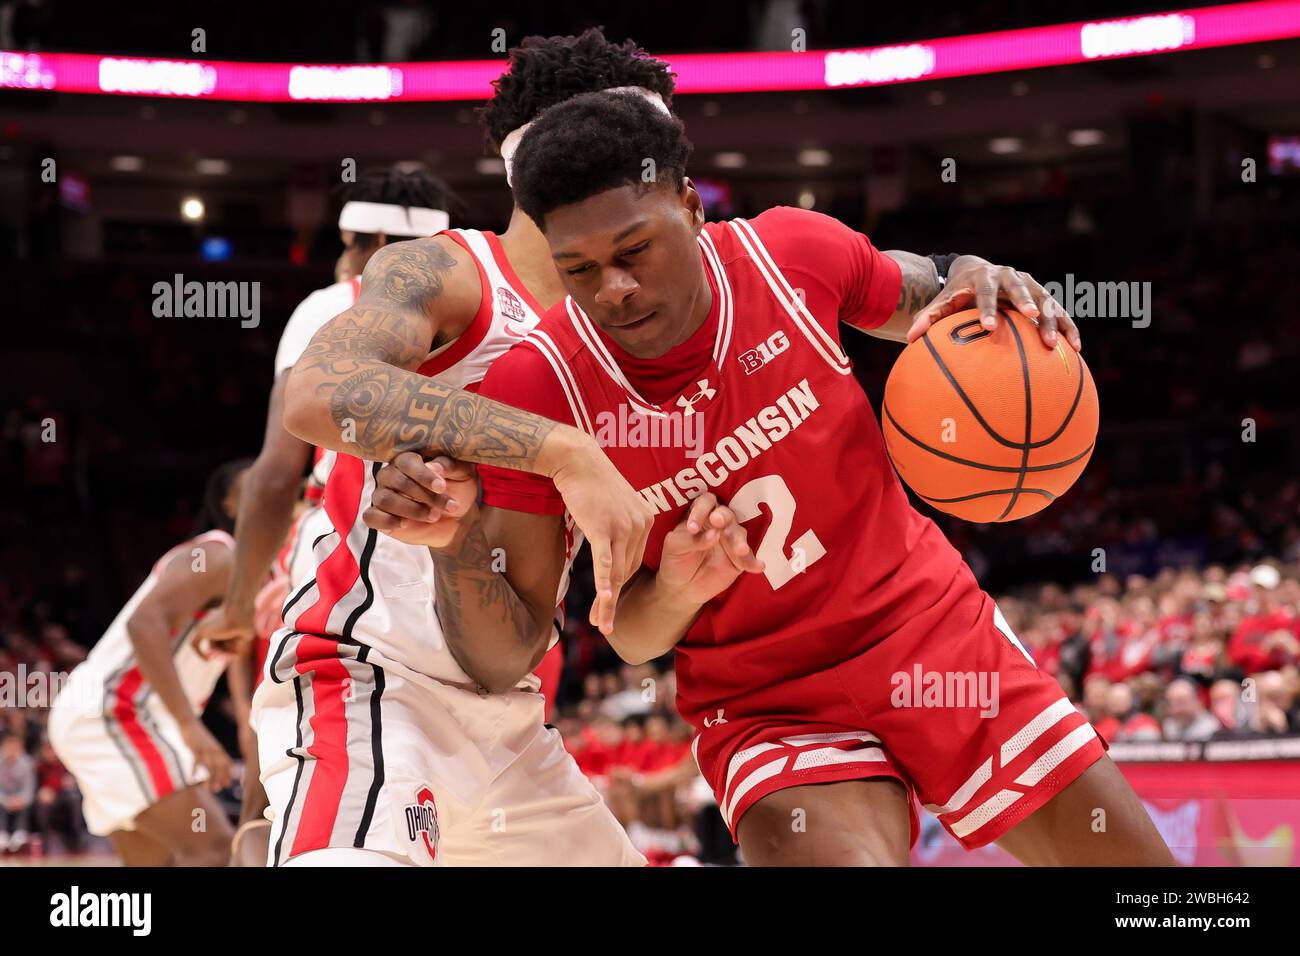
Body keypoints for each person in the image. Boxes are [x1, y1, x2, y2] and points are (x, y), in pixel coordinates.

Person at [367, 89, 1173, 866]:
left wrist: (981, 275)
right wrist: (456, 542)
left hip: (930, 634)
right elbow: (538, 651)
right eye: (579, 269)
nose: (614, 288)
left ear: (689, 206)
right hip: (768, 703)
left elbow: (936, 292)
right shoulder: (537, 388)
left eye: (634, 251)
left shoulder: (791, 253)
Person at [256, 29, 676, 867]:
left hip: (511, 710)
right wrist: (559, 448)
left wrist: (959, 279)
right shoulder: (448, 272)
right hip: (372, 685)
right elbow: (315, 394)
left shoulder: (629, 333)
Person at [195, 164, 451, 867]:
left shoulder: (336, 302)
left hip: (353, 557)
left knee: (282, 762)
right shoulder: (487, 302)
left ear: (366, 242)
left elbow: (275, 475)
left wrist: (239, 605)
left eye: (344, 240)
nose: (341, 256)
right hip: (469, 559)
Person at [46, 461, 250, 866]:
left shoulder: (252, 581)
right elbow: (145, 624)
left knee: (152, 864)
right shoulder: (217, 553)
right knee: (211, 849)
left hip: (110, 713)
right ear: (229, 503)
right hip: (117, 710)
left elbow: (243, 696)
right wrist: (191, 729)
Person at [0, 733, 36, 852]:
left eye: (15, 747)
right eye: (9, 746)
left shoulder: (27, 764)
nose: (12, 750)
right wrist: (6, 801)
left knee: (26, 806)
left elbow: (29, 788)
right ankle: (2, 834)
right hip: (3, 799)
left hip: (21, 800)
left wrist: (21, 800)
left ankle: (20, 833)